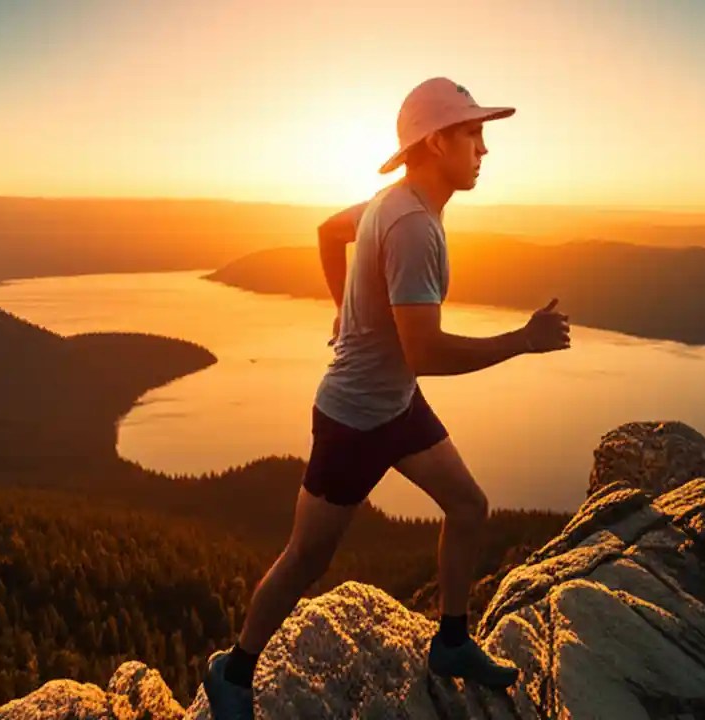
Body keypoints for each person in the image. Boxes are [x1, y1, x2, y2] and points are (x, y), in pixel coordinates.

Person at [202, 76, 571, 718]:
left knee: (468, 505)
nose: (484, 149)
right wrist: (523, 341)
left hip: (396, 407)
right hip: (354, 420)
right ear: (436, 142)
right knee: (305, 559)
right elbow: (423, 353)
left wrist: (345, 313)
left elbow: (325, 231)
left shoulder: (396, 202)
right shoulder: (411, 228)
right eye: (473, 134)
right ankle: (232, 672)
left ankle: (451, 642)